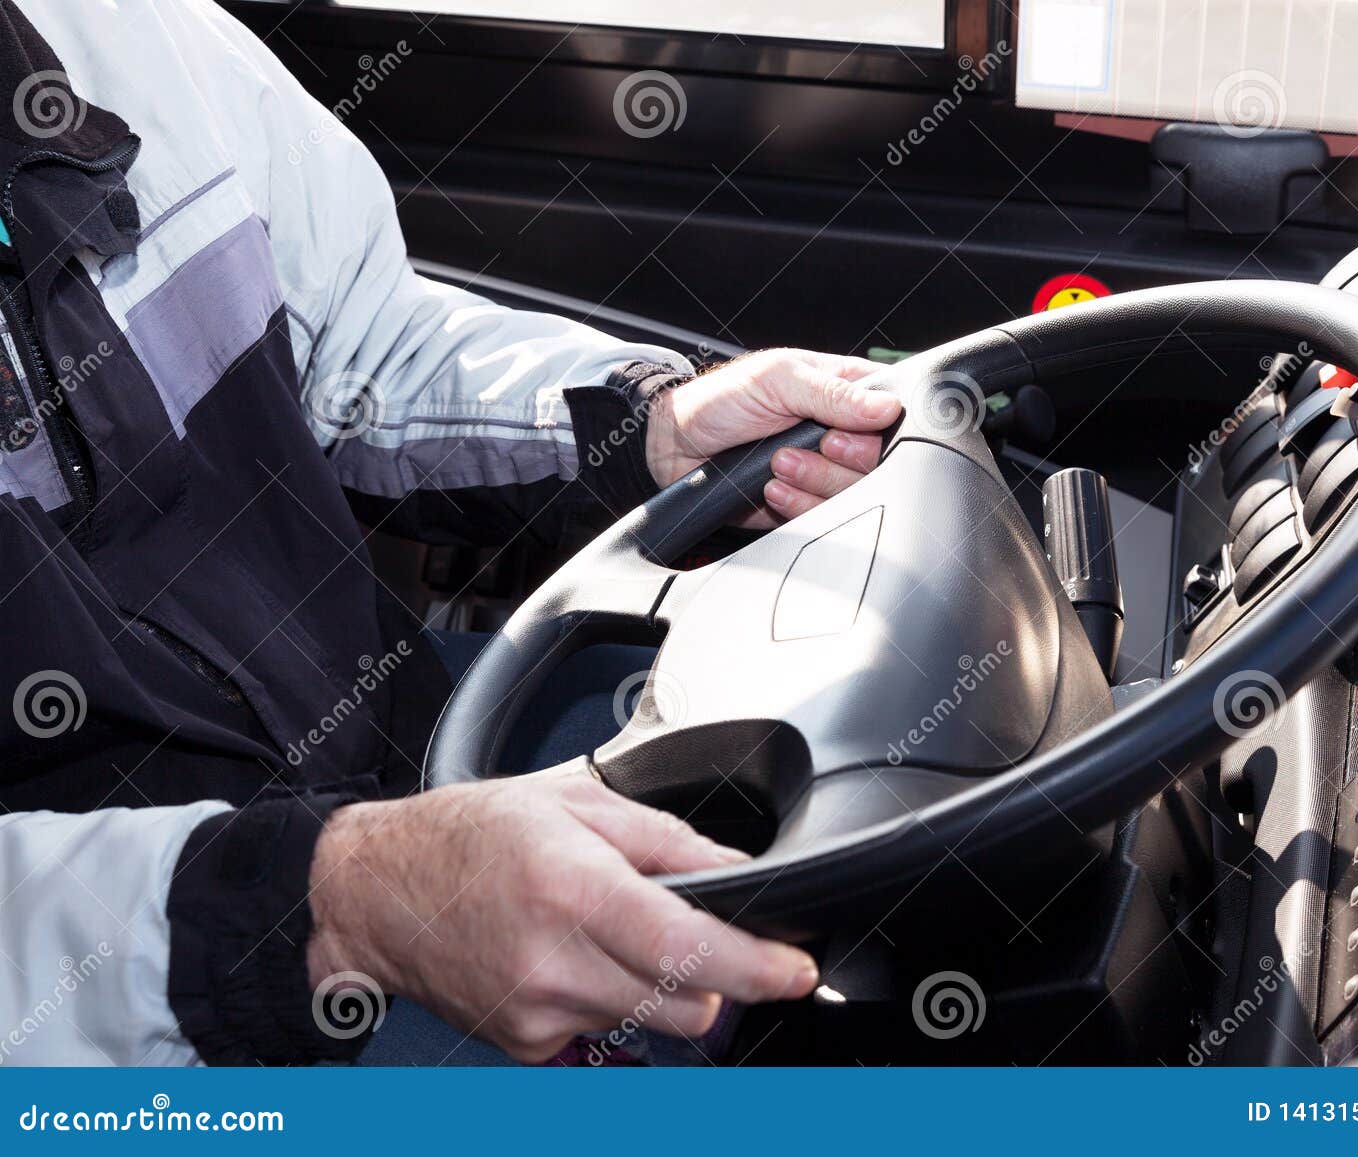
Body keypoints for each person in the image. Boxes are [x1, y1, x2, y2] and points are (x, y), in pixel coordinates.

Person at [0, 0, 901, 1066]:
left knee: (850, 776)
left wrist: (655, 429)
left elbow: (360, 344)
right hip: (152, 999)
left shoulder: (129, 30)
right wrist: (339, 900)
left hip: (392, 738)